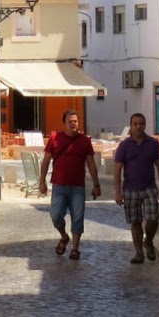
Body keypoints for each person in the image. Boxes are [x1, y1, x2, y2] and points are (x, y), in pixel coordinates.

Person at [38, 109, 100, 259]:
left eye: (75, 121)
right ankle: (64, 236)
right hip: (59, 185)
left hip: (78, 186)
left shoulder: (85, 140)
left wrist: (96, 184)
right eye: (70, 121)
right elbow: (46, 162)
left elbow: (91, 163)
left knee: (78, 216)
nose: (73, 124)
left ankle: (75, 248)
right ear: (64, 123)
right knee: (55, 215)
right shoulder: (55, 139)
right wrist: (42, 182)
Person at [113, 112, 159, 264]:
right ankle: (138, 253)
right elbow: (117, 170)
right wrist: (118, 192)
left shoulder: (153, 143)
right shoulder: (124, 145)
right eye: (135, 124)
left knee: (153, 219)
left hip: (149, 188)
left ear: (145, 125)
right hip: (130, 189)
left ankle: (148, 241)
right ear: (131, 126)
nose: (138, 127)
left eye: (141, 124)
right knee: (135, 222)